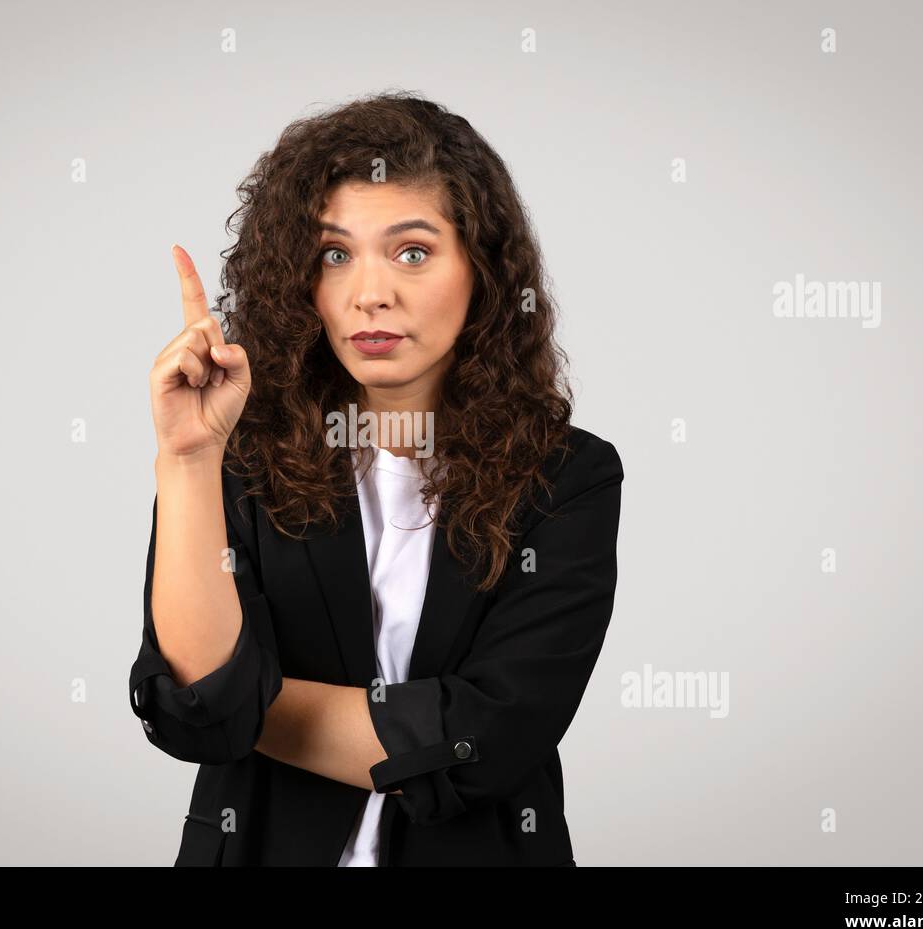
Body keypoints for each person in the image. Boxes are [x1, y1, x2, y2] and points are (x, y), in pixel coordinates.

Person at [130, 91, 623, 866]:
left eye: (413, 251)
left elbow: (485, 740)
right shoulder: (236, 455)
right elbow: (197, 719)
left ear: (482, 272)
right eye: (335, 253)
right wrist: (187, 460)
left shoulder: (570, 477)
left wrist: (248, 694)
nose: (370, 293)